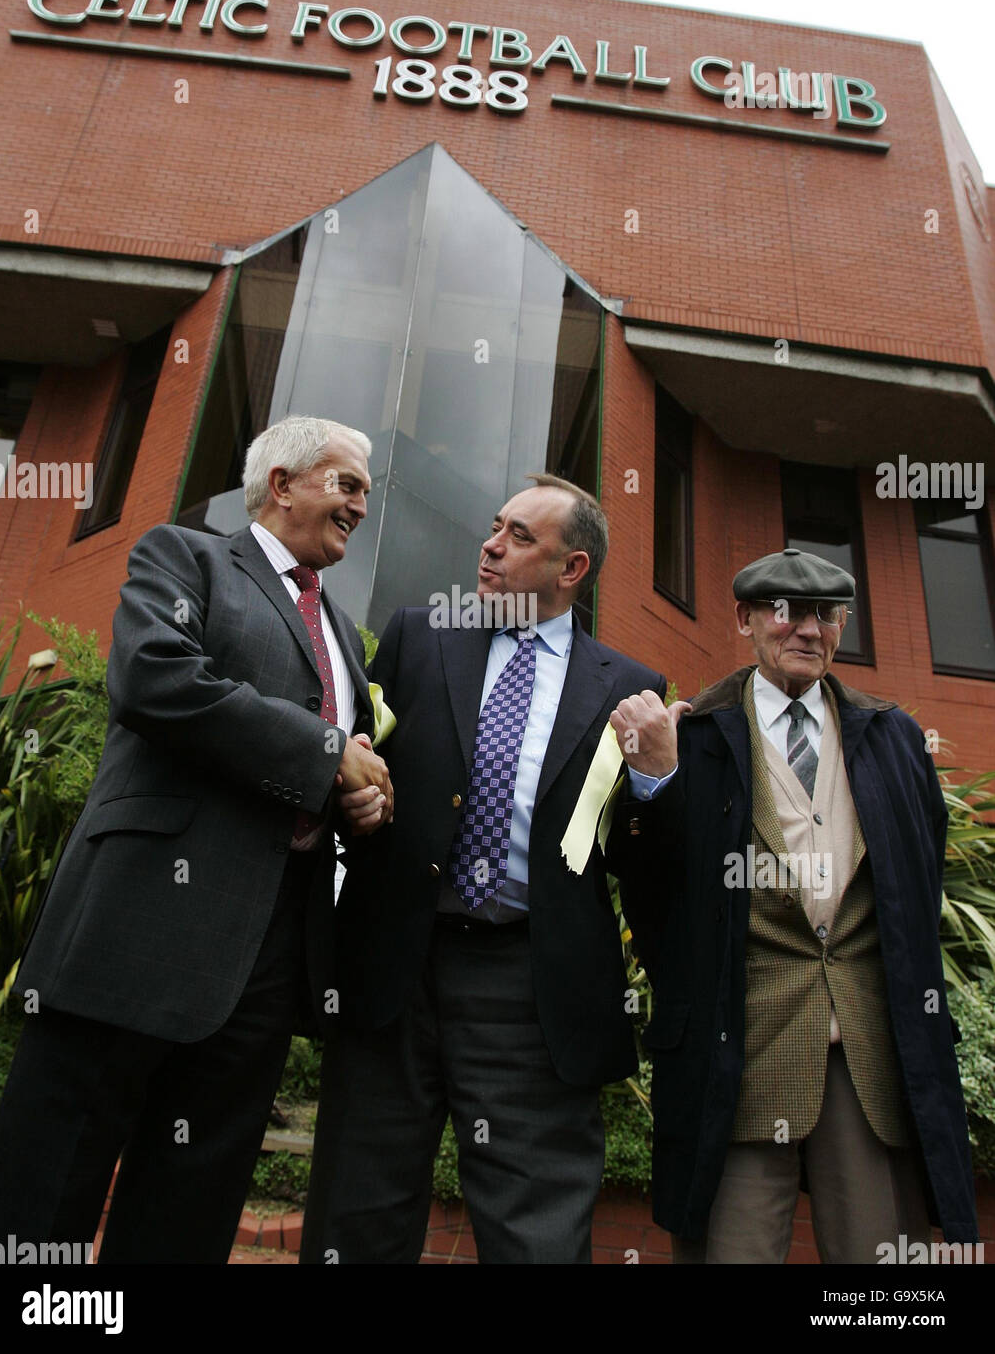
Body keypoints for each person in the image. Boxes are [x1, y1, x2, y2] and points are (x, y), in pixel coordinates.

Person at [0, 414, 392, 1264]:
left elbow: (330, 770)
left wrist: (359, 799)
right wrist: (324, 755)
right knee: (45, 1198)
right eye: (344, 483)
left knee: (187, 1212)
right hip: (137, 930)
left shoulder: (344, 634)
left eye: (365, 491)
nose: (359, 503)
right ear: (281, 483)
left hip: (267, 959)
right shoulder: (185, 557)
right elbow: (156, 681)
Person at [300, 475, 673, 1264]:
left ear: (571, 569)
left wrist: (657, 783)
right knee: (356, 1216)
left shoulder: (631, 690)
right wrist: (356, 799)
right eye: (494, 526)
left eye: (519, 537)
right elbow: (363, 771)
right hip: (397, 967)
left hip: (530, 989)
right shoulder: (414, 636)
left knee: (534, 1234)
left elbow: (637, 865)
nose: (491, 545)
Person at [615, 546, 978, 1262]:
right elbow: (649, 893)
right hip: (739, 1053)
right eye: (784, 612)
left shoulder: (893, 735)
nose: (806, 629)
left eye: (823, 613)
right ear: (746, 618)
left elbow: (918, 878)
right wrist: (653, 783)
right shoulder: (693, 734)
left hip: (868, 1055)